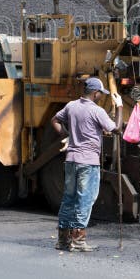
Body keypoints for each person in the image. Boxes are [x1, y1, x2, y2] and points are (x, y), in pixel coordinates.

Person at [51, 77, 122, 252]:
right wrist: (119, 106)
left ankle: (63, 240)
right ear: (95, 93)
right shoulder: (97, 111)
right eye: (100, 93)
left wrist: (67, 136)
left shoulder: (71, 106)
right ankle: (78, 240)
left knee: (68, 199)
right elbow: (117, 129)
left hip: (71, 161)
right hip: (88, 163)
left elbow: (55, 120)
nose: (100, 96)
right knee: (85, 199)